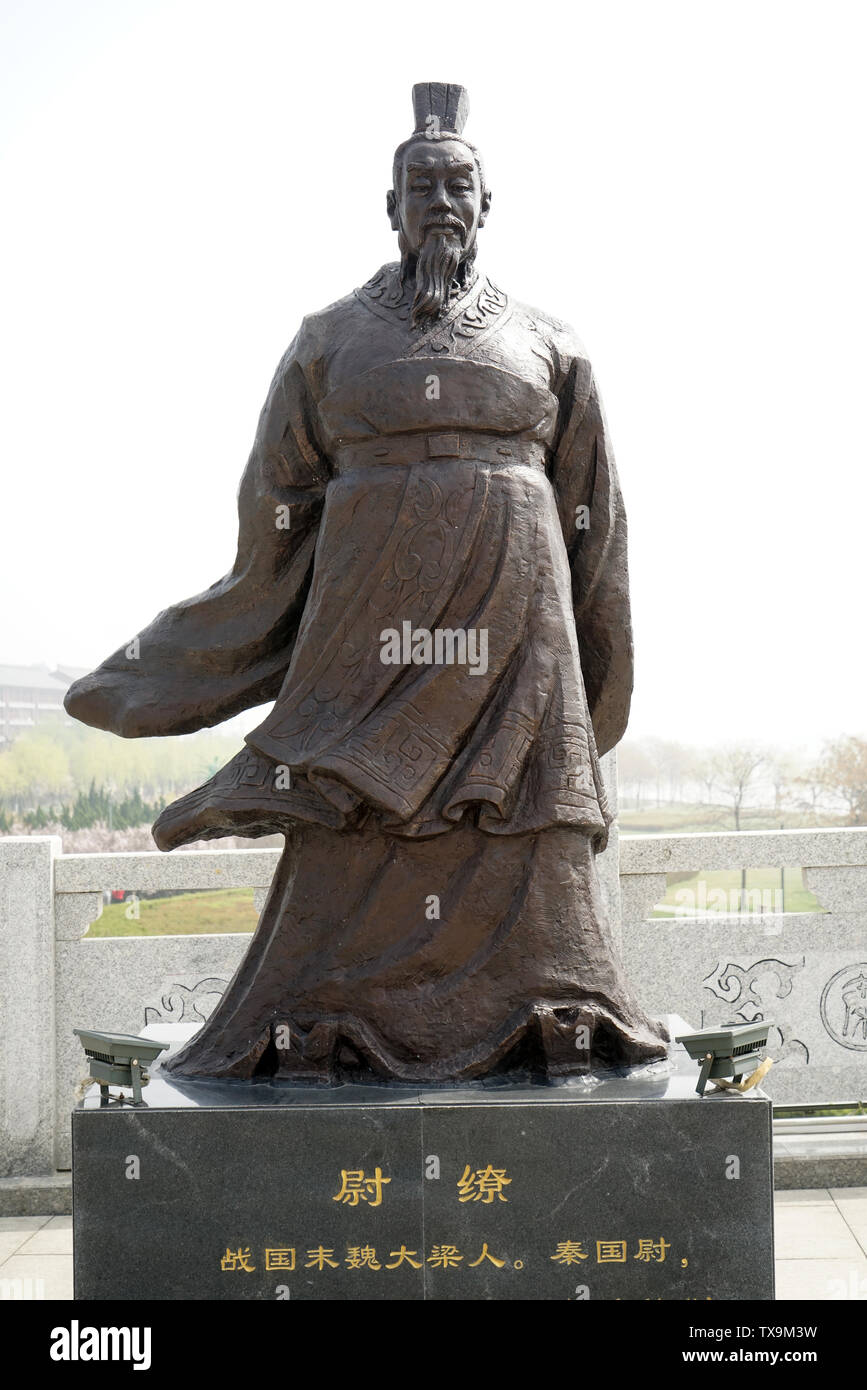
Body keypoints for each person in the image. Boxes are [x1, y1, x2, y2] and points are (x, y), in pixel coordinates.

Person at [66, 83, 669, 1082]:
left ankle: (560, 1005)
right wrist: (196, 652)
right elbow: (277, 509)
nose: (440, 200)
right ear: (388, 207)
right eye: (419, 185)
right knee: (351, 806)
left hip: (518, 632)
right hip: (365, 629)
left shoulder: (554, 346)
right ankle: (318, 1012)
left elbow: (593, 520)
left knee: (523, 814)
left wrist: (596, 673)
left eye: (457, 185)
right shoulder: (326, 340)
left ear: (487, 205)